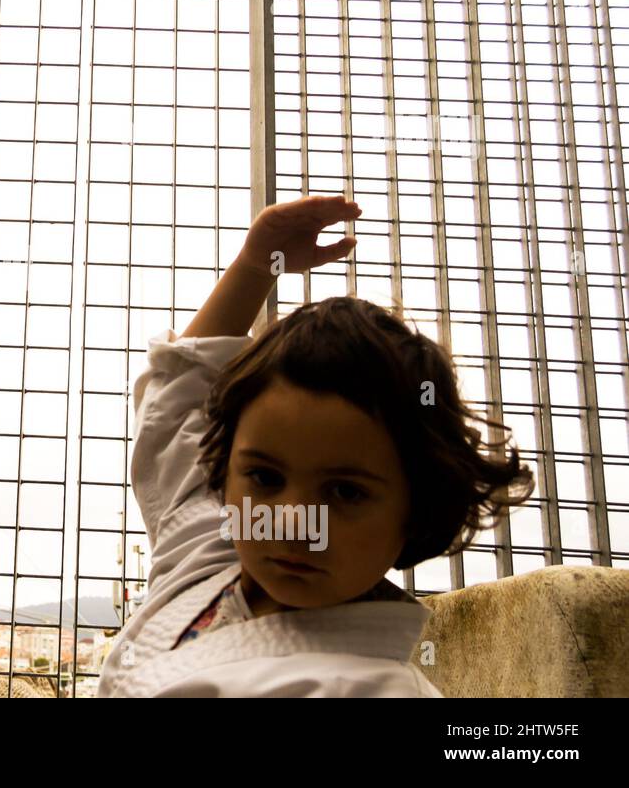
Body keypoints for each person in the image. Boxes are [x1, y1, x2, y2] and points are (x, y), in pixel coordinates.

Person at [97, 194, 533, 697]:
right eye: (264, 477)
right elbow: (177, 405)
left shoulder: (377, 690)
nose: (292, 521)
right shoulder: (208, 552)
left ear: (418, 509)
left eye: (344, 492)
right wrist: (255, 267)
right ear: (223, 473)